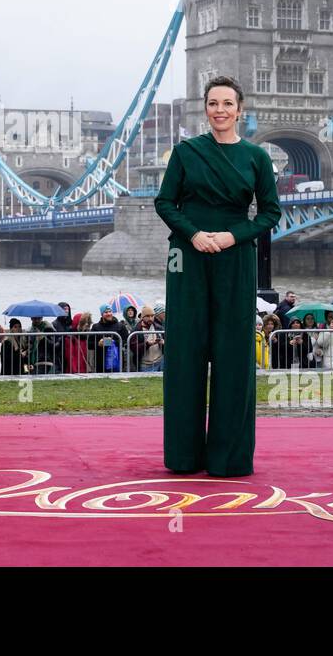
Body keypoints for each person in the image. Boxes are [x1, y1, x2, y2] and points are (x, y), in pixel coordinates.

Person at [154, 74, 281, 477]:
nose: (220, 110)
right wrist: (193, 234)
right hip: (188, 257)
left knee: (233, 355)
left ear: (240, 110)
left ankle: (229, 459)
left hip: (235, 256)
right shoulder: (185, 153)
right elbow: (165, 202)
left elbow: (270, 213)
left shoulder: (257, 158)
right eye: (213, 103)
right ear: (205, 108)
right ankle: (184, 456)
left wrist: (231, 236)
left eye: (228, 104)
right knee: (186, 351)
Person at [91, 305, 130, 373]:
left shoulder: (120, 326)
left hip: (117, 360)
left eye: (110, 311)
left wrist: (114, 342)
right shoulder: (96, 327)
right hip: (101, 362)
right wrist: (98, 343)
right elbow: (89, 344)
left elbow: (126, 341)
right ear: (102, 314)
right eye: (106, 312)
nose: (109, 314)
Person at [138, 305, 165, 372]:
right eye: (147, 316)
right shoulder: (137, 329)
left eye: (152, 316)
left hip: (160, 361)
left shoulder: (159, 328)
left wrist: (163, 343)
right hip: (146, 365)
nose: (150, 318)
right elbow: (133, 348)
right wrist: (148, 344)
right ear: (142, 317)